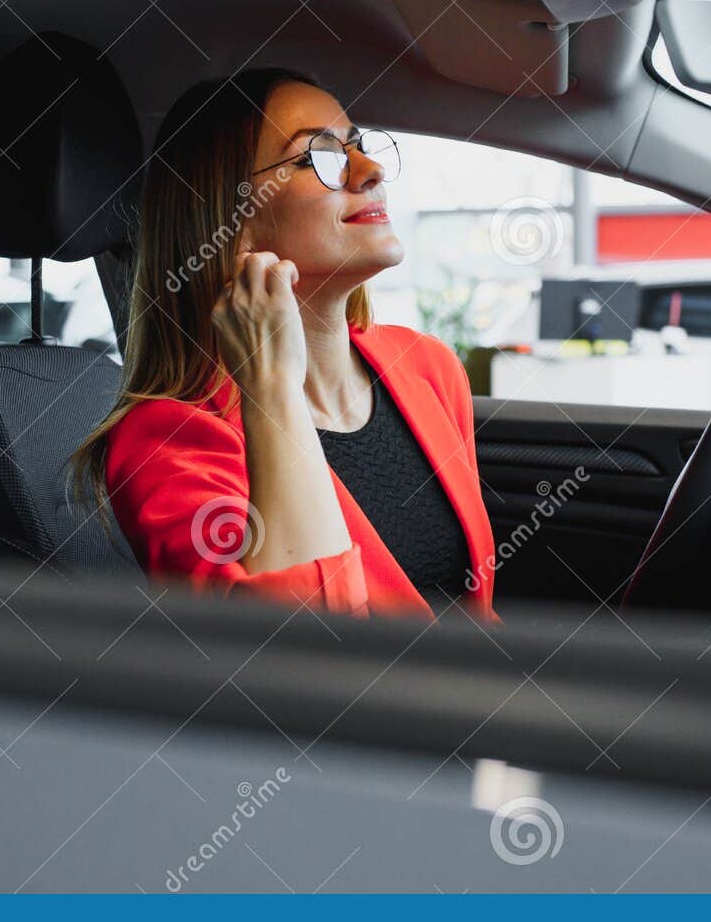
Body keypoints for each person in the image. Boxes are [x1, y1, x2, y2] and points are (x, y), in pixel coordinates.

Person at [72, 68, 495, 619]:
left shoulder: (426, 367)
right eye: (318, 157)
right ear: (231, 222)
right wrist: (270, 386)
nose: (370, 171)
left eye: (359, 148)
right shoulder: (169, 445)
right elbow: (294, 652)